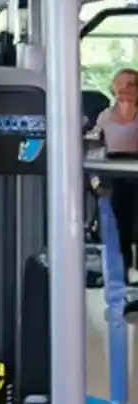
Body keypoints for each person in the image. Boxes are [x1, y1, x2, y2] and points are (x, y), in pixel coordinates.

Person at [93, 69, 138, 281]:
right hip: (113, 173)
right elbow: (96, 144)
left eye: (131, 85)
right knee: (117, 226)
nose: (125, 90)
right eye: (120, 85)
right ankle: (121, 272)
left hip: (135, 171)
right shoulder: (105, 116)